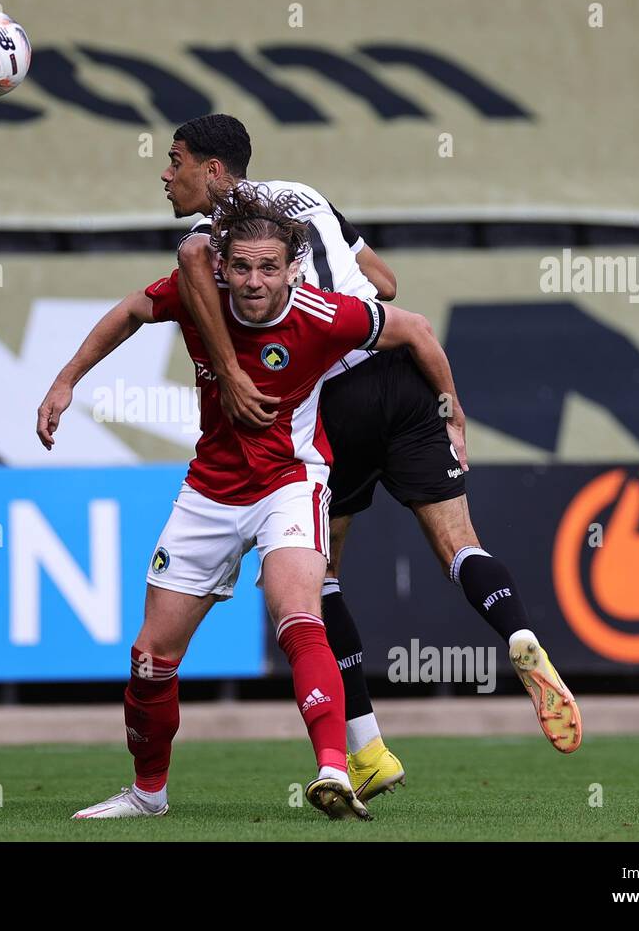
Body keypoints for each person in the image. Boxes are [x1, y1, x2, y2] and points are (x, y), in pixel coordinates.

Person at [161, 115, 583, 803]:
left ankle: (366, 749)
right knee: (459, 545)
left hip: (332, 398)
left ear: (213, 170)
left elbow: (190, 271)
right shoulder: (305, 195)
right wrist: (448, 403)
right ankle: (519, 634)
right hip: (403, 376)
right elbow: (384, 280)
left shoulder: (222, 244)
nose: (164, 173)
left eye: (174, 160)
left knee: (317, 574)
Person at [37, 183, 456, 819]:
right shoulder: (199, 298)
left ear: (293, 267)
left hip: (292, 482)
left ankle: (334, 772)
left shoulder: (326, 316)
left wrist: (452, 412)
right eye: (241, 267)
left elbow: (416, 329)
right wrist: (65, 382)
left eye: (268, 267)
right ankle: (148, 795)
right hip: (210, 490)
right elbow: (128, 312)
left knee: (298, 617)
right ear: (222, 267)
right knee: (151, 660)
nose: (255, 281)